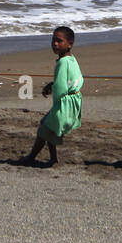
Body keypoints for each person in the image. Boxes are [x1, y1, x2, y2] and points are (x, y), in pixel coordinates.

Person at [19, 26, 83, 167]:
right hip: (74, 99)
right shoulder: (72, 59)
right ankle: (53, 158)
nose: (55, 44)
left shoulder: (62, 63)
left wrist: (54, 94)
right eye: (53, 40)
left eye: (59, 41)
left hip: (65, 103)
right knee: (48, 127)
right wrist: (51, 85)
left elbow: (60, 88)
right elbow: (74, 79)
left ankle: (31, 157)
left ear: (69, 44)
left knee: (44, 129)